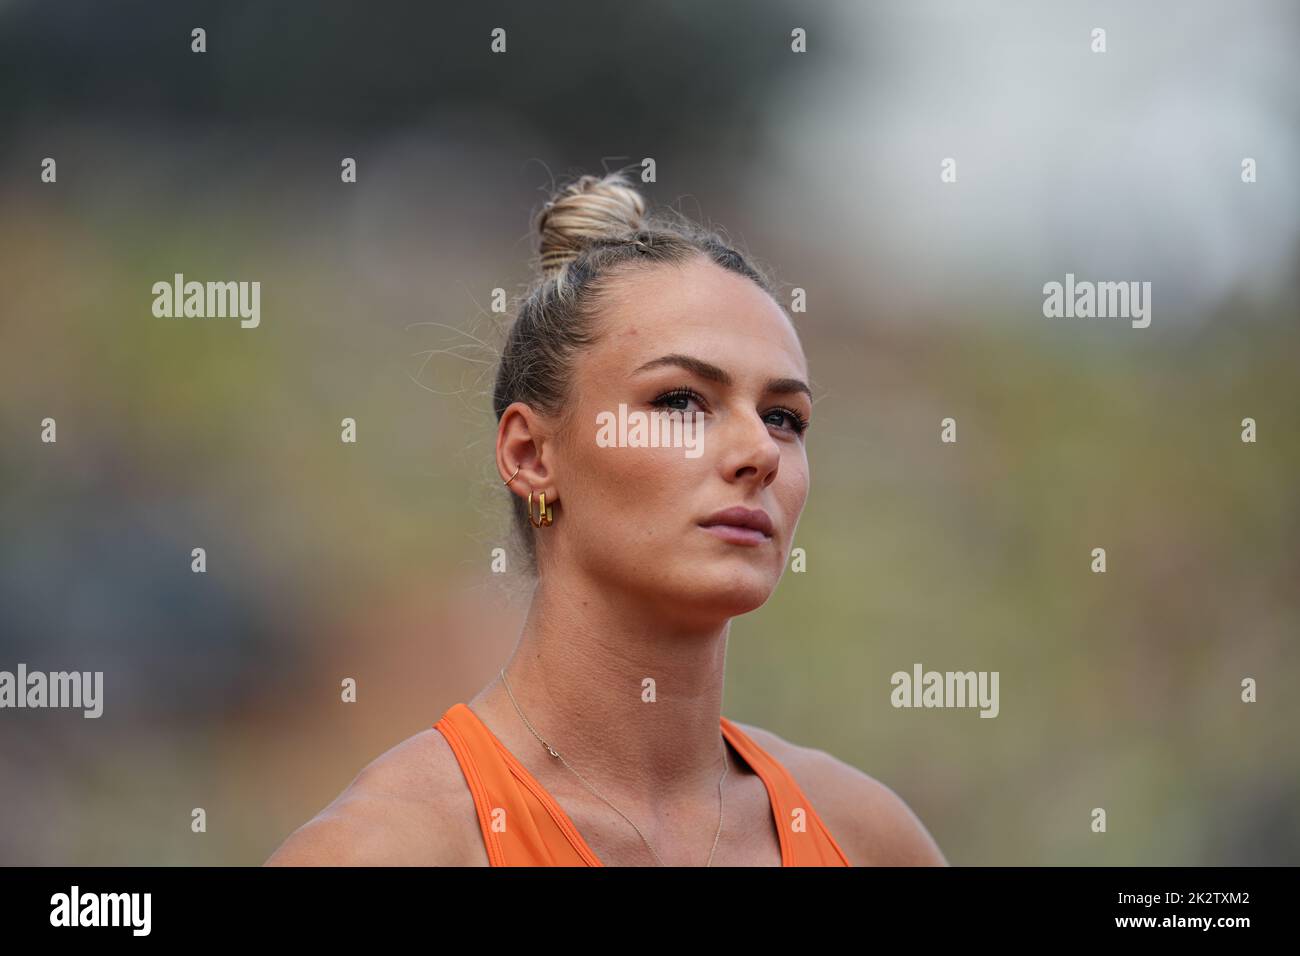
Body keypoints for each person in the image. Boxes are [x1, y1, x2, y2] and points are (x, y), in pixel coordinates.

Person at [266, 169, 947, 866]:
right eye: (681, 401)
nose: (759, 452)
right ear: (530, 454)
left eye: (783, 417)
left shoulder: (863, 836)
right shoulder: (393, 848)